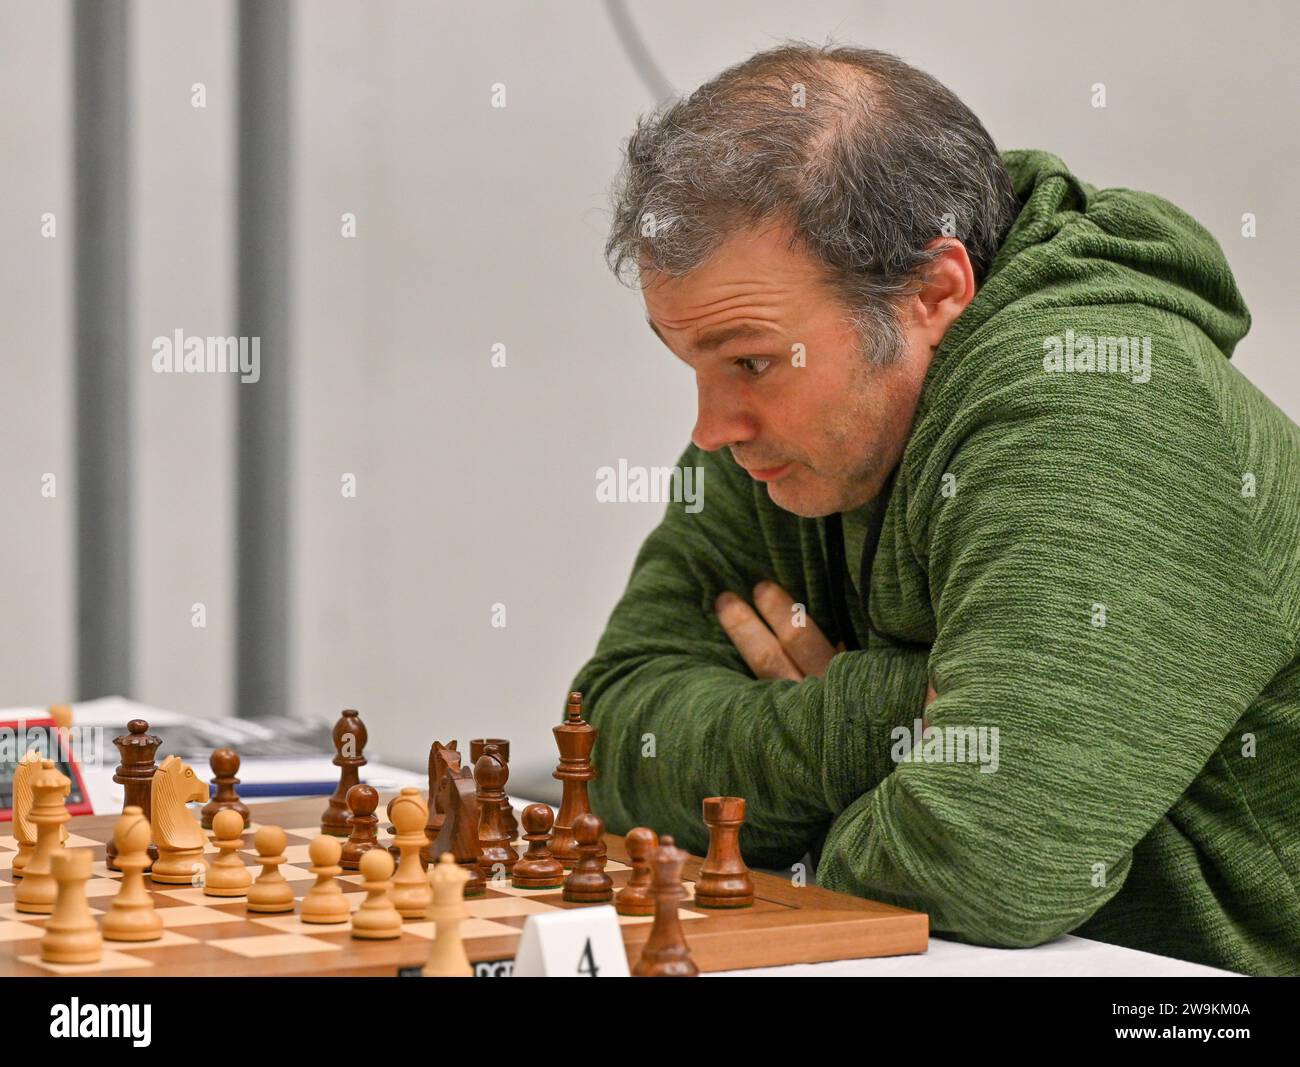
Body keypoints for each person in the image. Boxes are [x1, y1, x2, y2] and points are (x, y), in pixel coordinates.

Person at [569, 42, 1300, 976]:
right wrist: (883, 709)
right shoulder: (785, 440)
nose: (711, 428)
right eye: (694, 366)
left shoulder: (1100, 398)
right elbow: (615, 733)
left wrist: (791, 814)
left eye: (750, 360)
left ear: (933, 291)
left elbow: (981, 862)